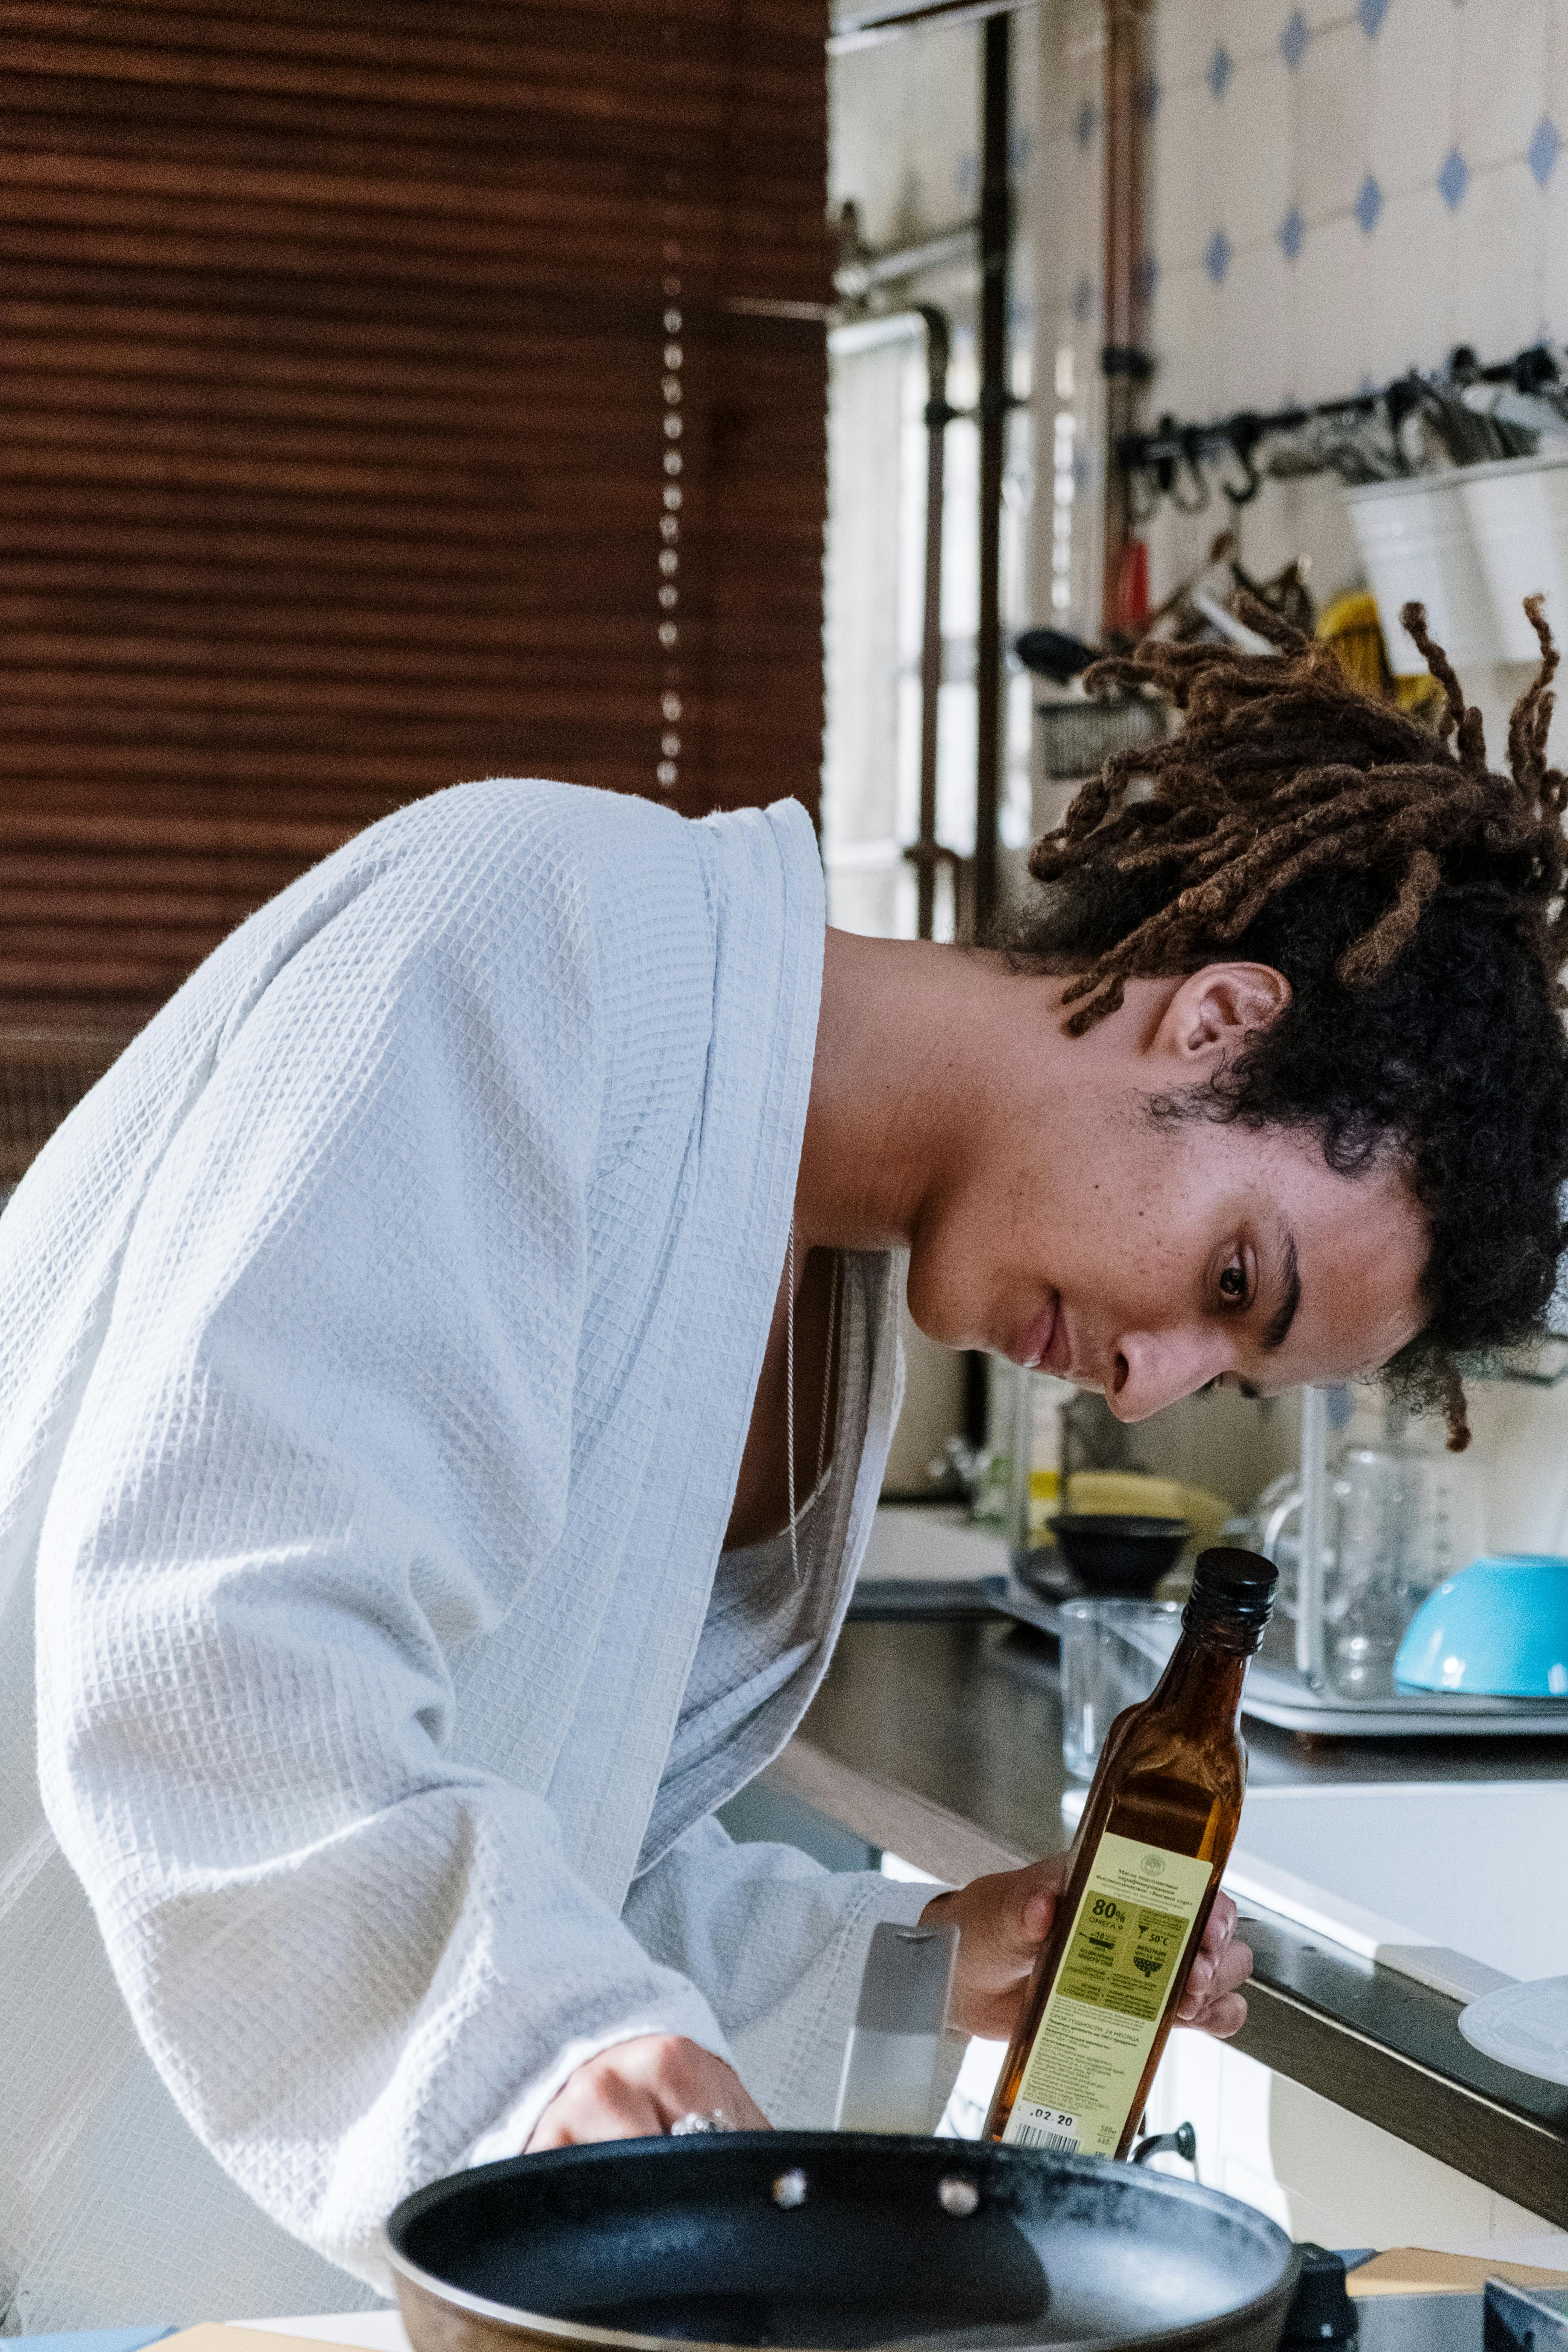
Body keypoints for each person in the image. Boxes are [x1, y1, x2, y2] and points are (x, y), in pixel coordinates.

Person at [1, 599, 1564, 2328]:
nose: (1147, 1386)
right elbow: (213, 1654)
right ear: (1212, 1023)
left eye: (1230, 1367)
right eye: (1227, 1284)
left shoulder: (809, 1282)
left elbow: (538, 1831)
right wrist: (541, 2072)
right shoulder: (545, 927)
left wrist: (899, 1966)